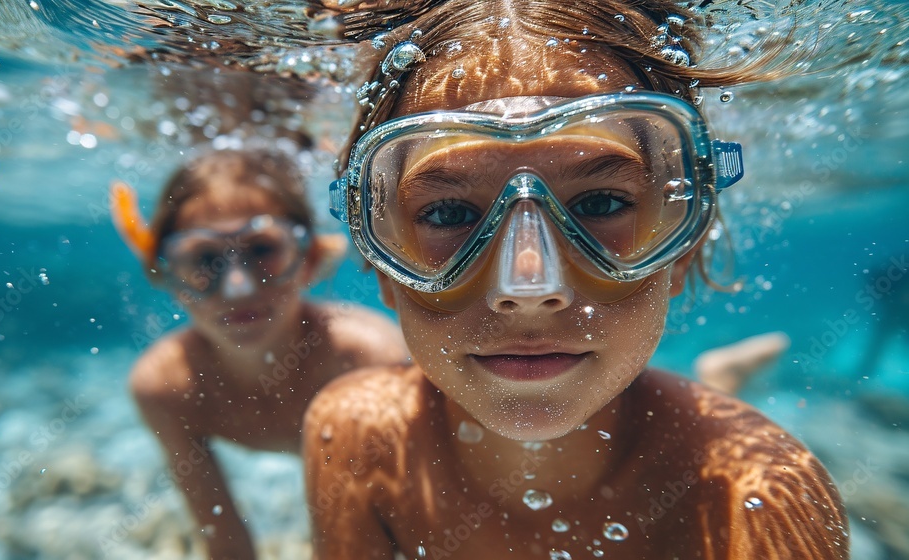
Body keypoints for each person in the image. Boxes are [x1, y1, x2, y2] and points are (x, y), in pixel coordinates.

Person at [302, 0, 849, 558]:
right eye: (448, 214)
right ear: (384, 266)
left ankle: (716, 384)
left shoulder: (758, 495)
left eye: (601, 202)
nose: (529, 288)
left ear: (680, 250)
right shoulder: (356, 436)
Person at [111, 148, 409, 560]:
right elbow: (226, 544)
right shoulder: (165, 386)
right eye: (203, 258)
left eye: (262, 250)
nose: (238, 286)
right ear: (169, 276)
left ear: (309, 260)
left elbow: (406, 524)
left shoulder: (367, 359)